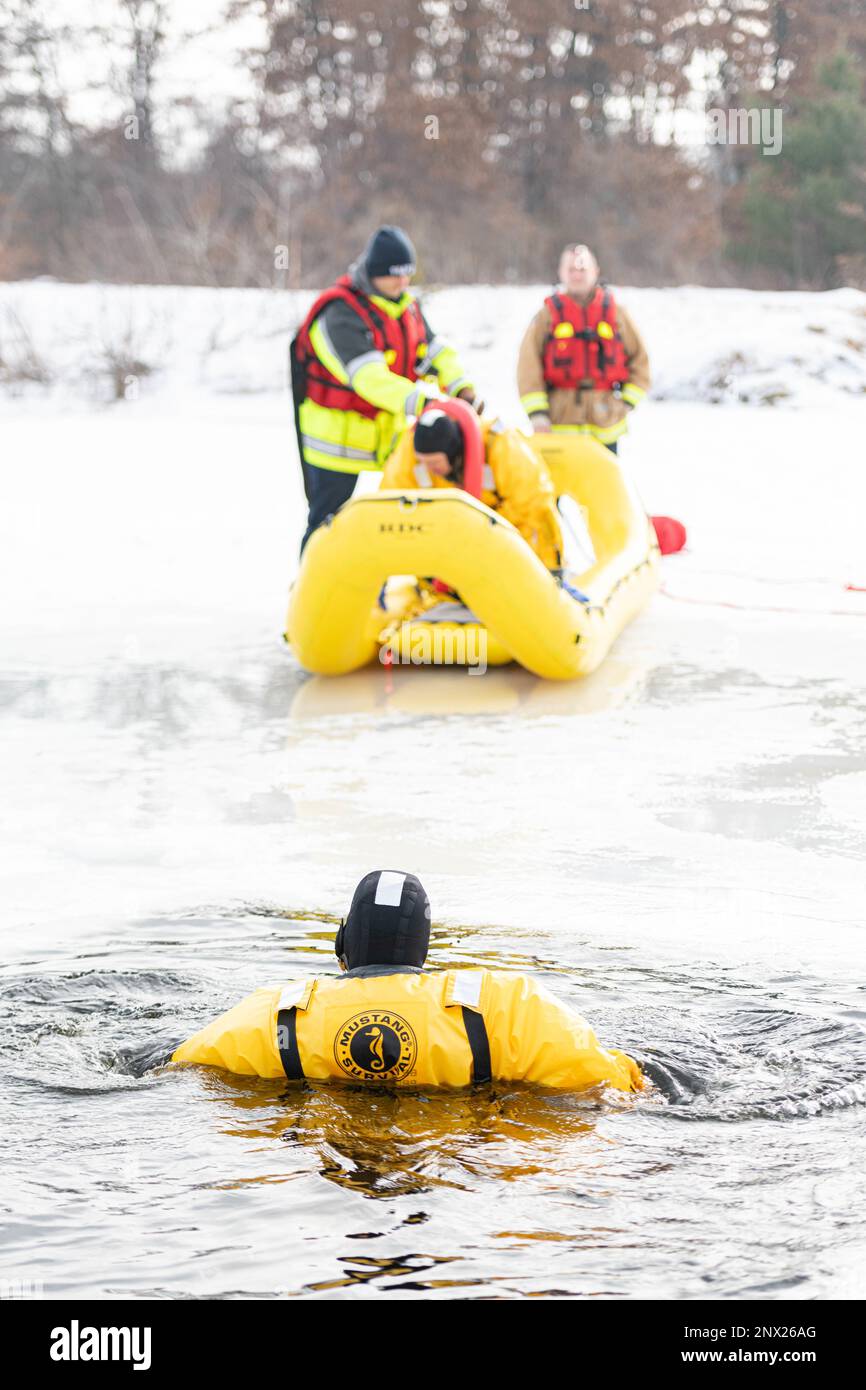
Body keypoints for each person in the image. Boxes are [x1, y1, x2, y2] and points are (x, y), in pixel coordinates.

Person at [172, 870, 644, 1093]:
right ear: (423, 948)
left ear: (345, 943)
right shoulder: (507, 1004)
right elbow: (604, 1081)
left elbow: (182, 1068)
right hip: (463, 1153)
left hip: (321, 1152)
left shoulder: (276, 1011)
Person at [291, 226, 479, 549]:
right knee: (326, 526)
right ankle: (313, 590)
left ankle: (393, 587)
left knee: (397, 523)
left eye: (408, 275)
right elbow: (369, 379)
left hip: (386, 440)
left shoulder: (406, 307)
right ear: (374, 273)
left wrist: (461, 387)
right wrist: (424, 403)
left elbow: (435, 352)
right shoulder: (338, 314)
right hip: (336, 444)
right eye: (395, 276)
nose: (403, 282)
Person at [381, 408, 565, 571]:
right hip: (448, 553)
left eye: (434, 462)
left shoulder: (499, 446)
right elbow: (390, 506)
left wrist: (551, 568)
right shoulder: (411, 455)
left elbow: (536, 506)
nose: (428, 469)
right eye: (423, 462)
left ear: (453, 453)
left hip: (505, 546)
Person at [517, 243, 650, 453]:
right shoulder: (546, 317)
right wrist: (538, 415)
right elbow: (528, 368)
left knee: (604, 485)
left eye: (582, 269)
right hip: (559, 424)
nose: (577, 275)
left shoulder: (617, 314)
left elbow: (641, 362)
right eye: (571, 270)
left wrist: (625, 404)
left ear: (595, 271)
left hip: (605, 424)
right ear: (561, 273)